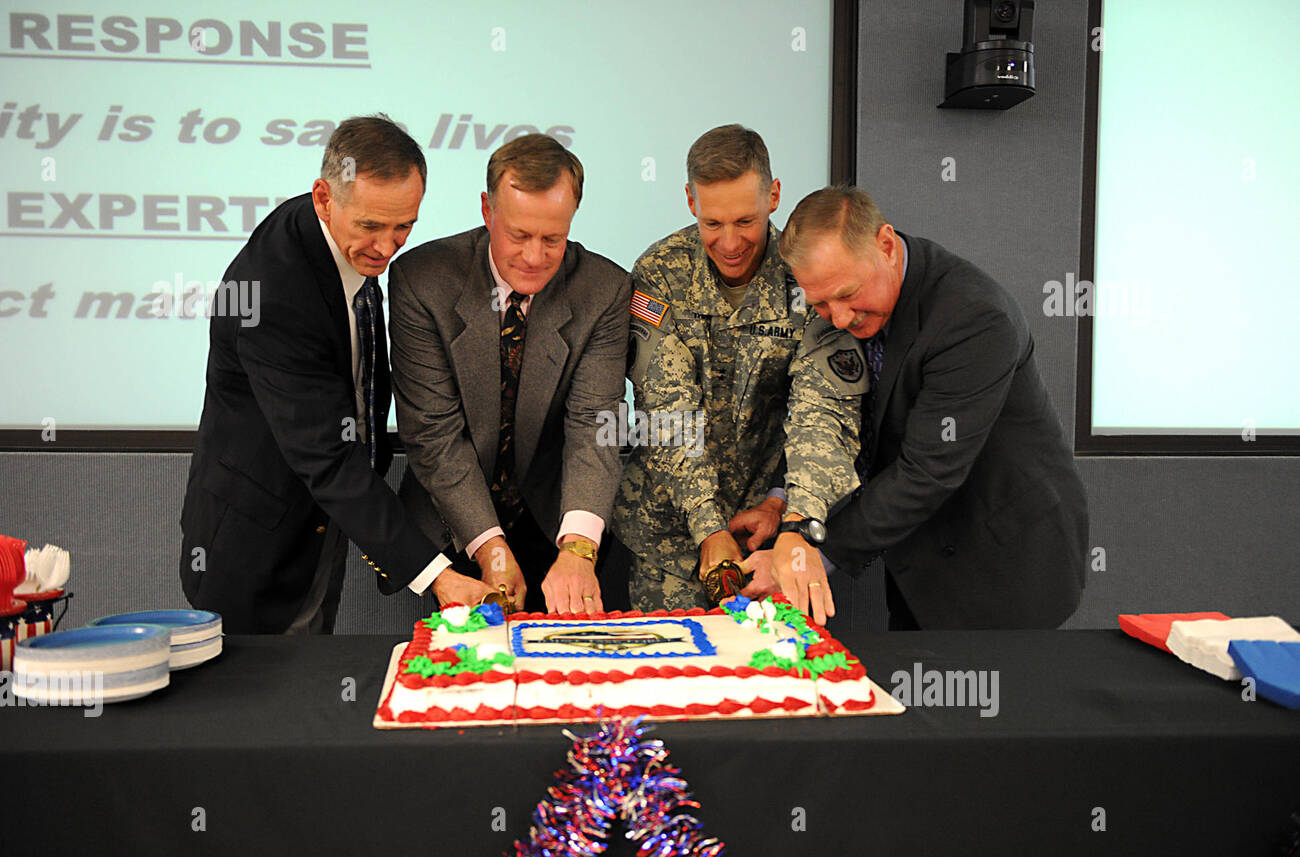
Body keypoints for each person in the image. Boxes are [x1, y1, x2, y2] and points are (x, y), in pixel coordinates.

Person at [180, 115, 485, 635]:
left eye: (404, 226)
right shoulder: (273, 295)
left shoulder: (328, 236)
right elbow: (324, 456)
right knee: (263, 697)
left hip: (327, 513)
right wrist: (436, 577)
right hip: (257, 539)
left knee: (310, 668)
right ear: (324, 197)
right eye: (370, 226)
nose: (388, 247)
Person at [766, 185, 1089, 629]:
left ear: (884, 245)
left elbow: (927, 472)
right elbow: (829, 419)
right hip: (917, 558)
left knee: (993, 695)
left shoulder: (973, 318)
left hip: (1001, 559)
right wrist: (785, 501)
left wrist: (812, 549)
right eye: (819, 303)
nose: (838, 318)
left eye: (846, 295)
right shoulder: (854, 308)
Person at [612, 125, 865, 611]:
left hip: (774, 539)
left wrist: (793, 519)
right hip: (669, 538)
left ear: (774, 196)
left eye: (745, 221)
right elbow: (668, 410)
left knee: (776, 677)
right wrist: (707, 525)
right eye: (713, 223)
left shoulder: (807, 274)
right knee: (670, 679)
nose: (730, 242)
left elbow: (822, 414)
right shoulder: (659, 272)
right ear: (690, 201)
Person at [389, 134, 630, 615]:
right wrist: (491, 549)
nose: (535, 257)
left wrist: (579, 549)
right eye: (519, 235)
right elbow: (435, 435)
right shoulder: (422, 280)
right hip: (457, 518)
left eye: (552, 239)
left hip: (558, 516)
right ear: (487, 210)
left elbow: (593, 427)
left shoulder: (604, 289)